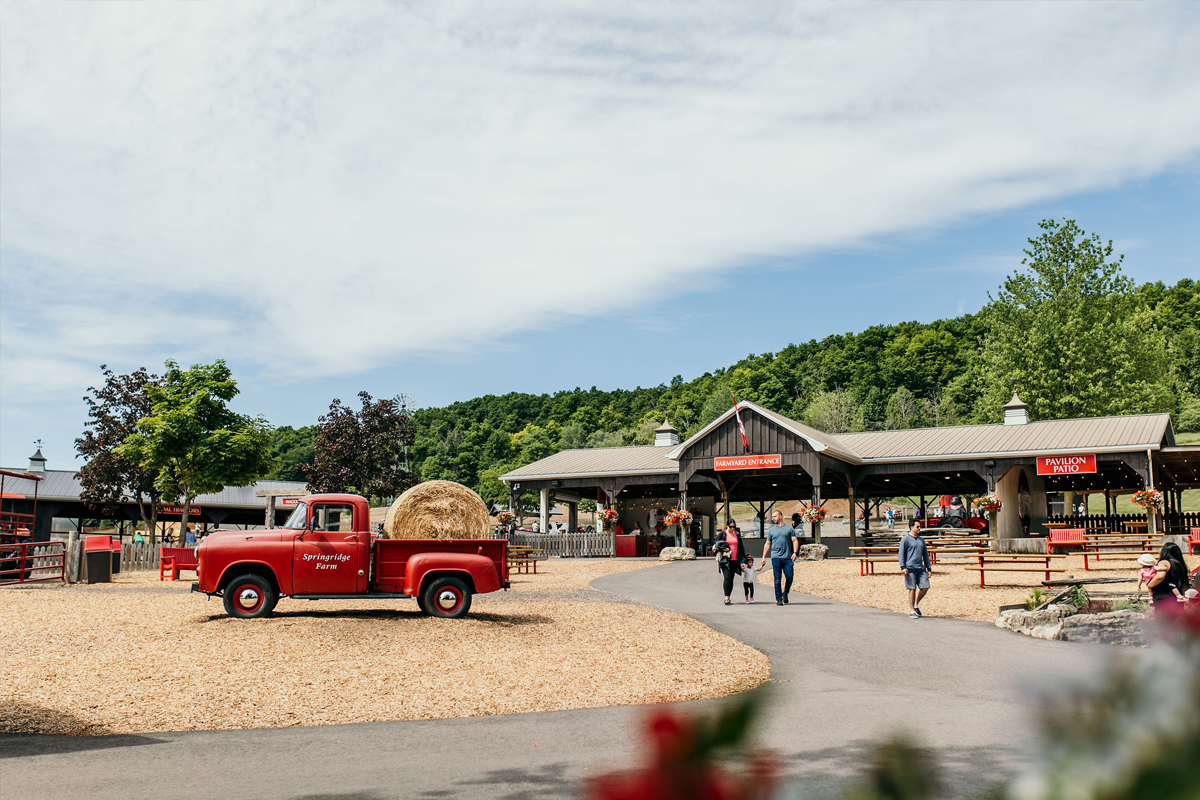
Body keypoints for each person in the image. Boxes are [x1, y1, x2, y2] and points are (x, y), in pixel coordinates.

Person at [763, 509, 800, 606]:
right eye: (773, 517)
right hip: (776, 557)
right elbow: (767, 544)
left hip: (787, 557)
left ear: (780, 516)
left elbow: (795, 541)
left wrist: (795, 552)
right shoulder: (771, 531)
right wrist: (764, 557)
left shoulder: (789, 529)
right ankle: (778, 598)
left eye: (775, 516)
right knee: (777, 578)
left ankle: (785, 593)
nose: (773, 518)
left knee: (789, 576)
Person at [898, 519, 932, 618]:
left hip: (920, 568)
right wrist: (903, 567)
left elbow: (925, 555)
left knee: (925, 587)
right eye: (917, 527)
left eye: (919, 527)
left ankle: (916, 604)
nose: (919, 528)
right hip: (910, 568)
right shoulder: (905, 539)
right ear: (911, 527)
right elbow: (901, 554)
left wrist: (929, 569)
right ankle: (912, 610)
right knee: (912, 589)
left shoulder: (921, 540)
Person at [713, 522, 748, 606]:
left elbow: (741, 549)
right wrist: (723, 549)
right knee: (727, 577)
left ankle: (729, 596)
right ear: (727, 526)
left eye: (734, 527)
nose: (732, 528)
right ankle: (726, 598)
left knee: (731, 579)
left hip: (735, 560)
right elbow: (716, 545)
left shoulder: (737, 535)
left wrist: (743, 561)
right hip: (725, 560)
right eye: (731, 527)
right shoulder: (722, 534)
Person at [1148, 541, 1190, 609]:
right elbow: (1183, 585)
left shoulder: (1164, 562)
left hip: (1164, 598)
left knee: (1164, 619)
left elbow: (1160, 577)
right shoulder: (1181, 565)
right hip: (1178, 599)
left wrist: (1150, 585)